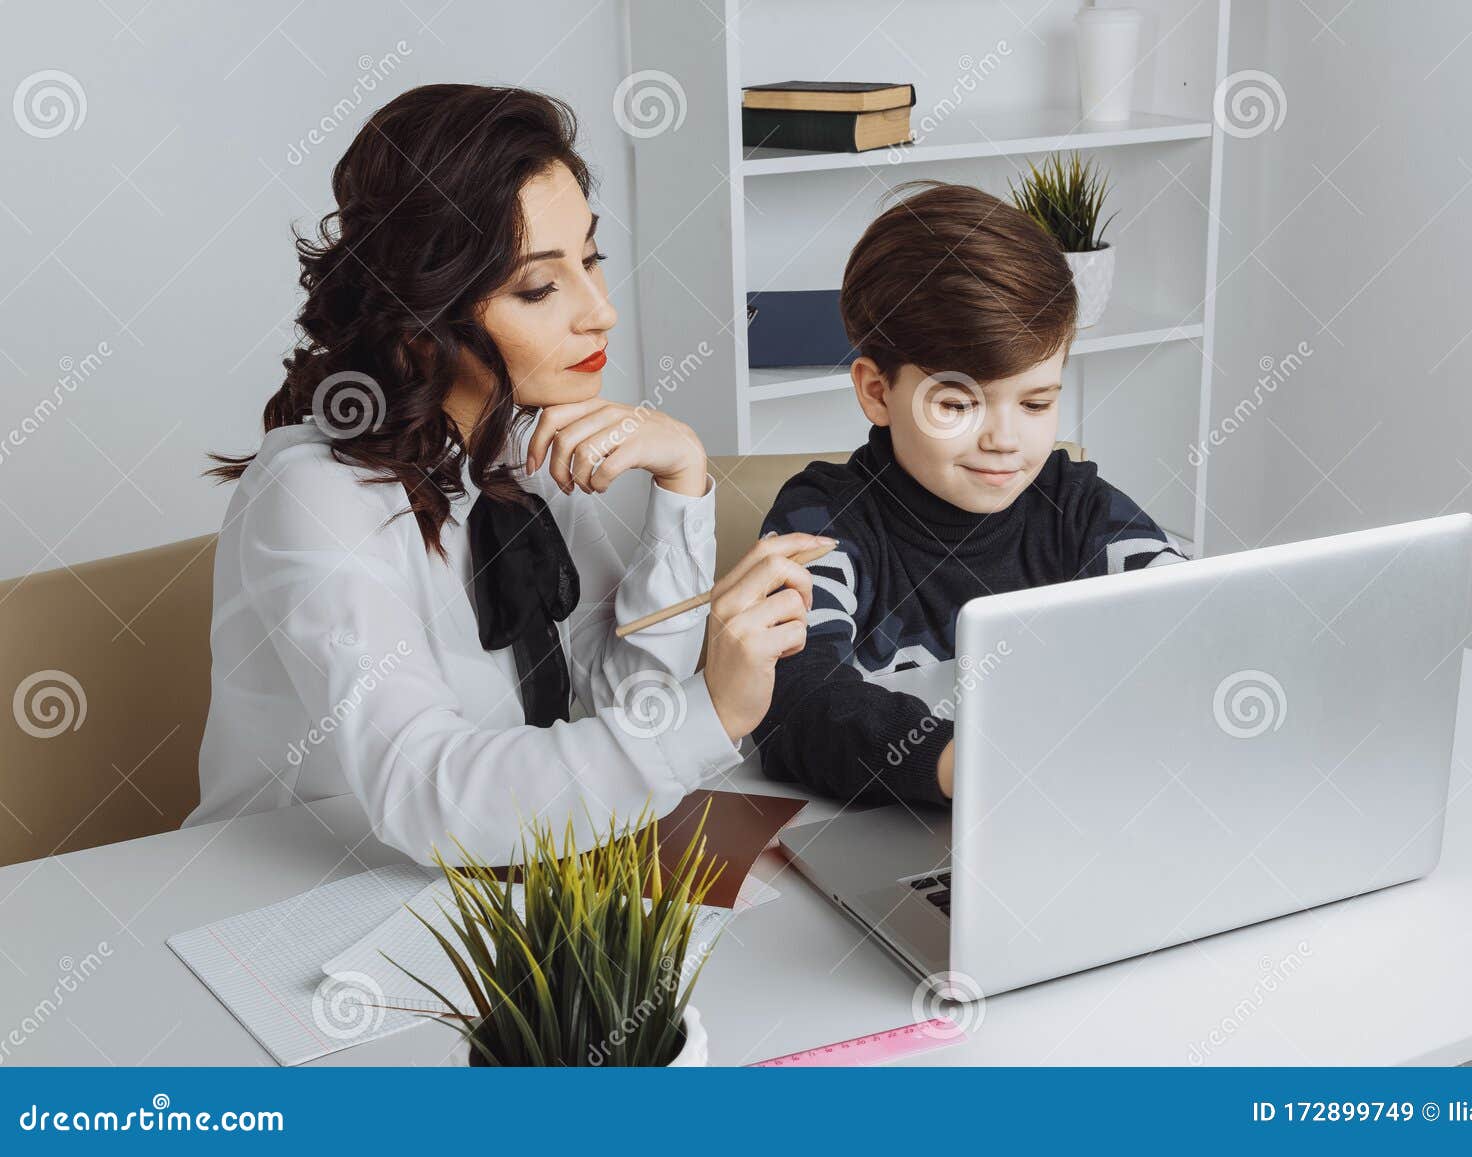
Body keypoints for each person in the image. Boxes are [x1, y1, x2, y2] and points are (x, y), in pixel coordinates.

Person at [187, 85, 829, 863]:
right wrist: (712, 713)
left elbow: (615, 705)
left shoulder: (521, 453)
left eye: (590, 259)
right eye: (539, 287)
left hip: (493, 886)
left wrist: (681, 482)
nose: (600, 312)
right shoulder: (315, 496)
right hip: (288, 899)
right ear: (422, 314)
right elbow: (427, 793)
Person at [753, 181, 1188, 806]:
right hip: (916, 822)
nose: (1006, 440)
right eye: (959, 404)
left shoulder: (1078, 506)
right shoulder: (825, 518)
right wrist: (968, 765)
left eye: (1037, 402)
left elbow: (1194, 619)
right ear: (877, 391)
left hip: (1071, 813)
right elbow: (791, 695)